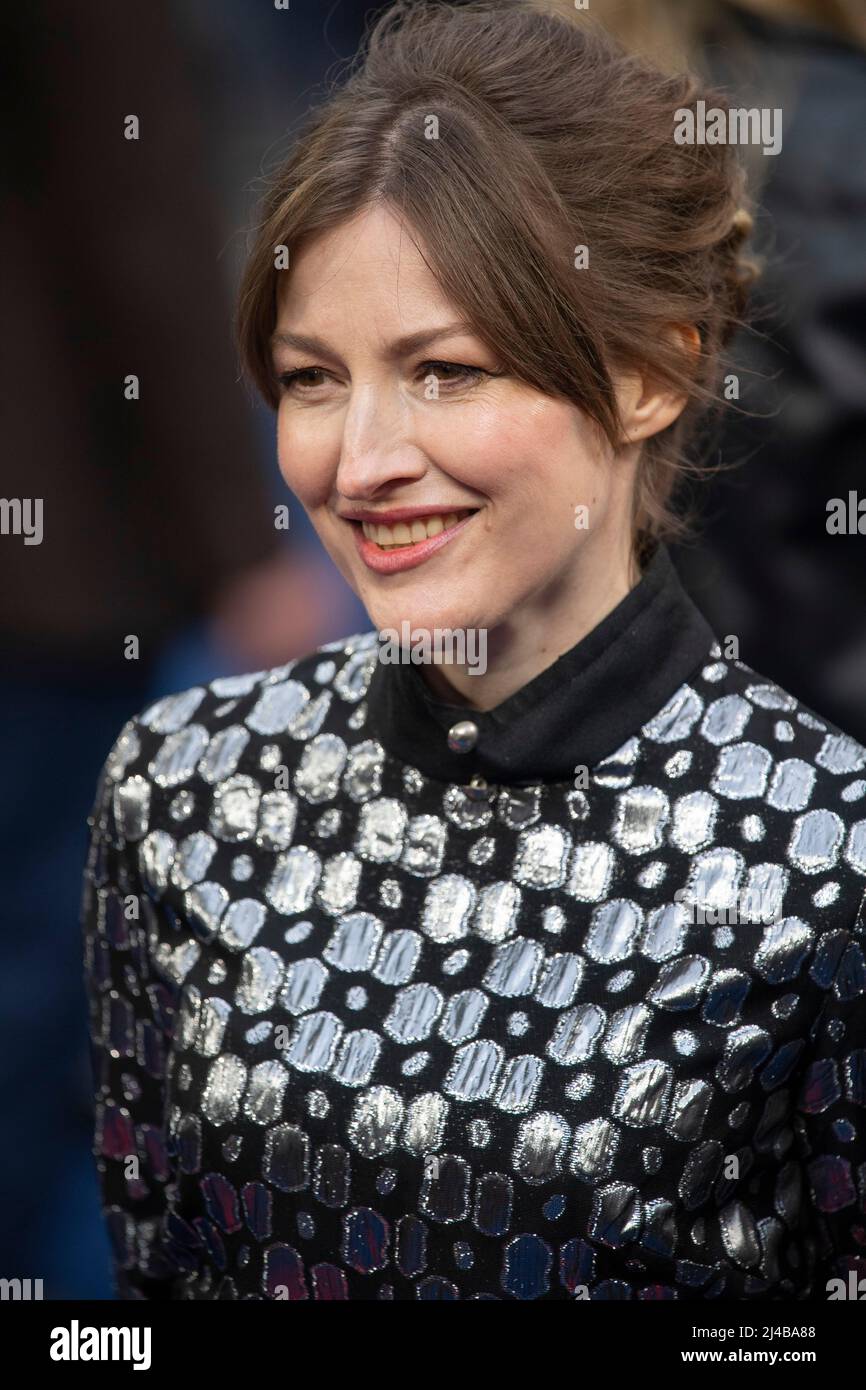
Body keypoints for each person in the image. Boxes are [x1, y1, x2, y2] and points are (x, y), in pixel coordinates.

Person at [81, 0, 866, 1301]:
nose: (363, 461)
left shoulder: (824, 862)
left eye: (443, 370)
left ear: (651, 372)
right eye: (312, 377)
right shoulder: (181, 789)